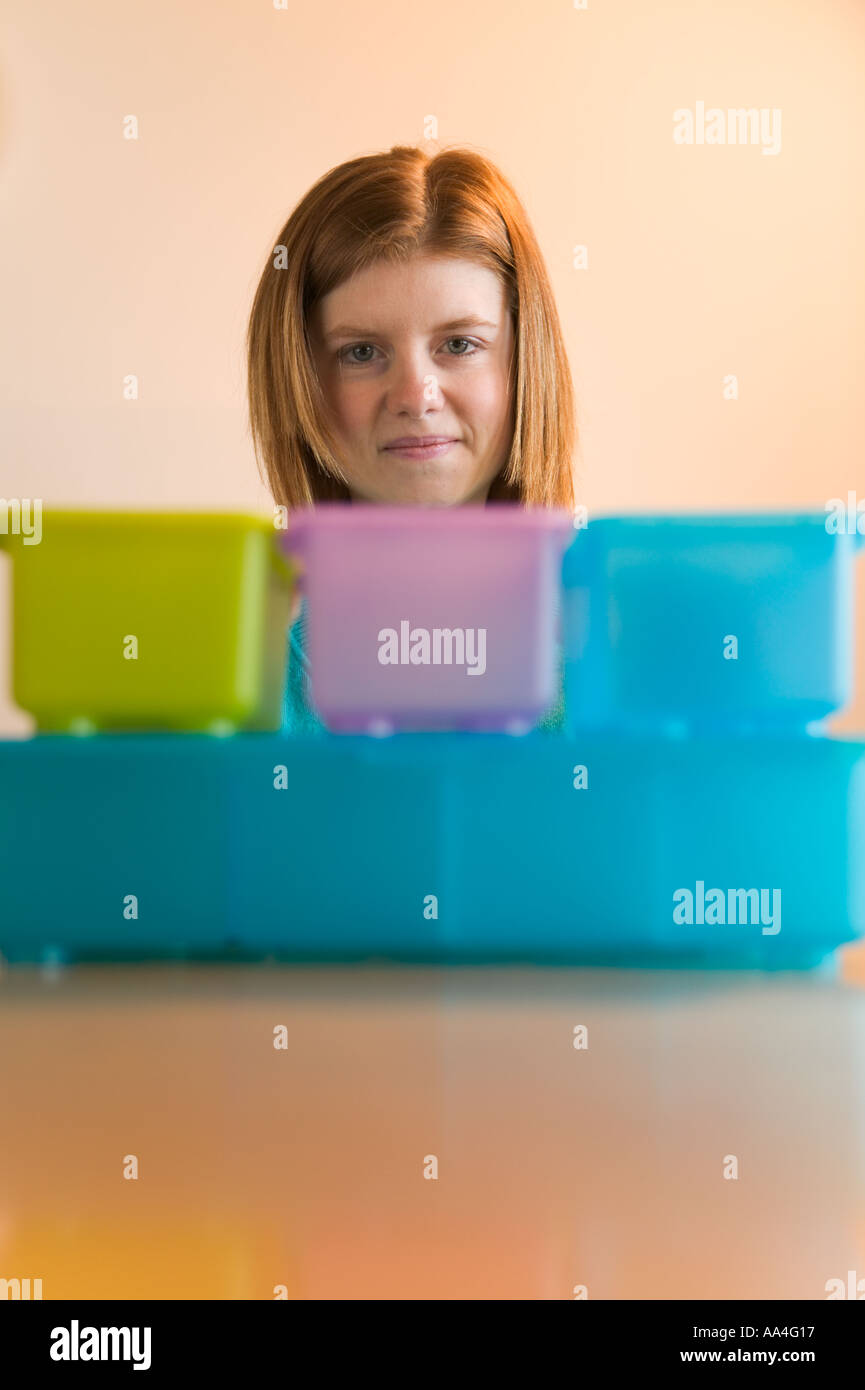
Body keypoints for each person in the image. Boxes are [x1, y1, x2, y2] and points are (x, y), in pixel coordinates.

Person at [245, 144, 579, 733]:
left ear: (524, 366)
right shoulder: (243, 678)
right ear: (300, 381)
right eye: (361, 353)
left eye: (459, 345)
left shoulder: (606, 658)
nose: (415, 395)